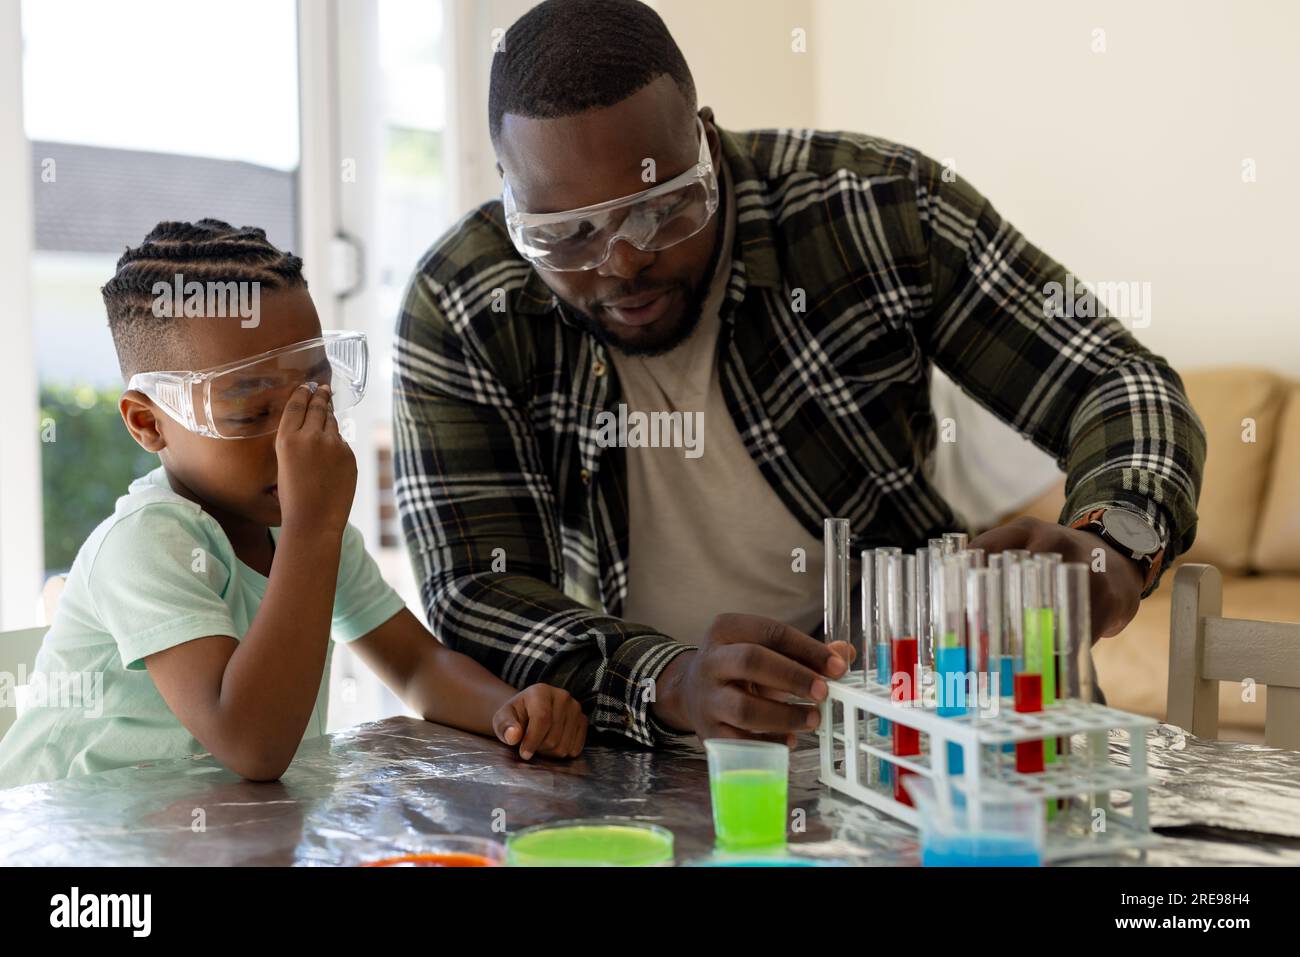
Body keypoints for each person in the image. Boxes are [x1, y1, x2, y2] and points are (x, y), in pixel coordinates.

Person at [392, 0, 1206, 749]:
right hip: (638, 749)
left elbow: (1118, 381)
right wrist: (668, 680)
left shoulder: (876, 209)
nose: (625, 261)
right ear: (510, 203)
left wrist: (1117, 539)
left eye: (661, 206)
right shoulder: (463, 305)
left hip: (934, 719)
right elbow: (477, 595)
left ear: (706, 142)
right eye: (567, 236)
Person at [0, 220, 586, 790]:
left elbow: (417, 666)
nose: (293, 439)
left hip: (199, 838)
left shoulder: (300, 530)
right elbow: (253, 745)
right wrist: (314, 526)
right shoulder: (150, 543)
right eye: (252, 412)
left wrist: (508, 711)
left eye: (314, 395)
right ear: (149, 423)